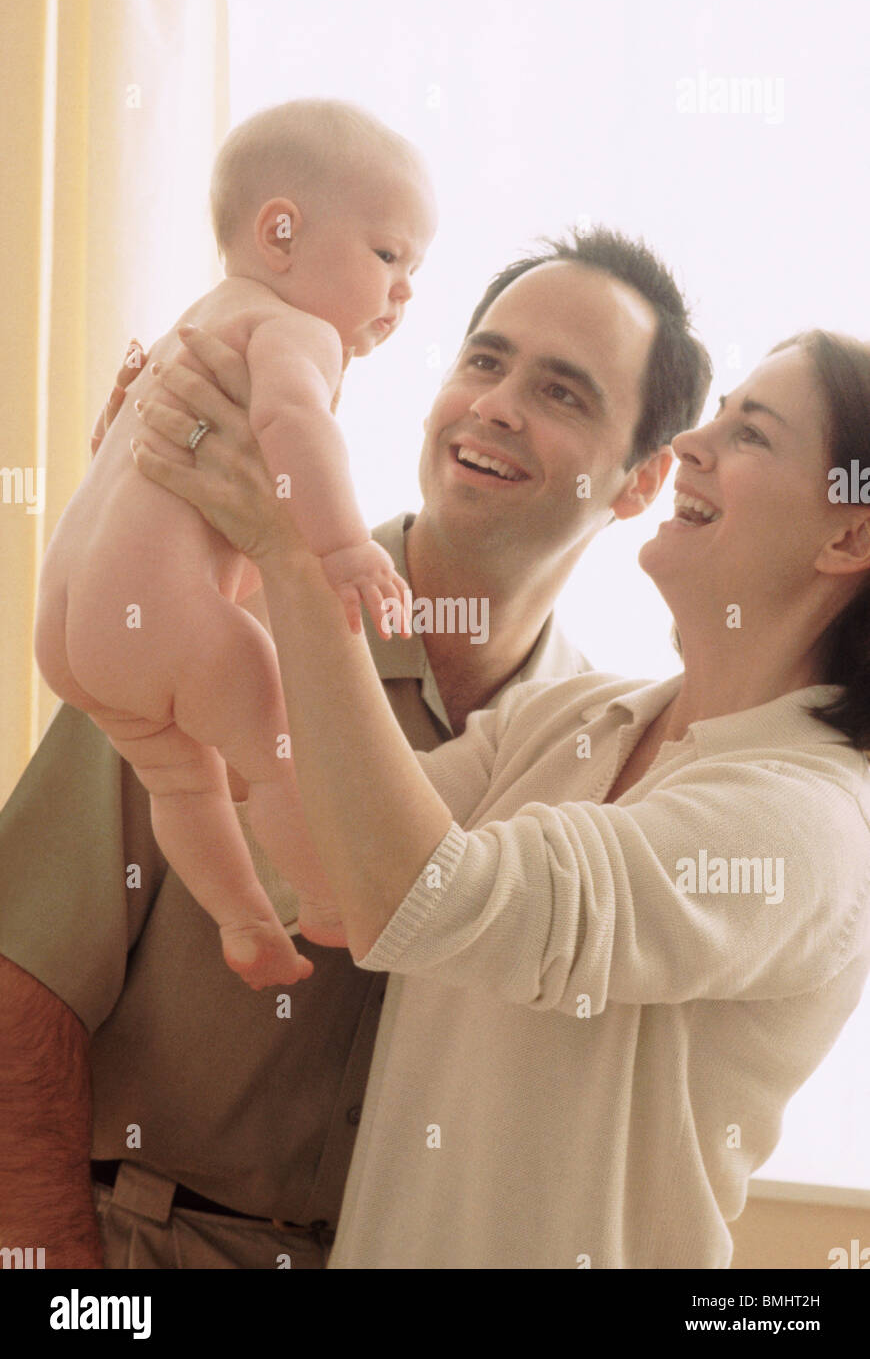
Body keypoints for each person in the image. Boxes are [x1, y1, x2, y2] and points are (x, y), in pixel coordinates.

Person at [0, 226, 711, 1268]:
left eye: (562, 392)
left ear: (640, 482)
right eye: (485, 360)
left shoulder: (598, 762)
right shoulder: (204, 606)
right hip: (123, 1248)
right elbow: (21, 983)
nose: (497, 405)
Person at [133, 325, 870, 1269]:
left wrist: (291, 545)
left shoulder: (811, 823)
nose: (693, 444)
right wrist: (190, 544)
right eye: (716, 416)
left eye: (753, 435)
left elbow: (435, 898)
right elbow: (322, 870)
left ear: (850, 532)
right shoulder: (570, 716)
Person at [33, 99, 436, 989]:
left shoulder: (201, 320)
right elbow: (296, 426)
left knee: (181, 781)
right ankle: (330, 902)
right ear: (280, 232)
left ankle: (245, 920)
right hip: (167, 624)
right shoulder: (299, 332)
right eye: (388, 255)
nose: (405, 291)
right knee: (276, 751)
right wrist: (340, 549)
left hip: (65, 629)